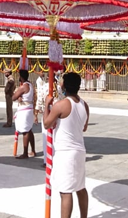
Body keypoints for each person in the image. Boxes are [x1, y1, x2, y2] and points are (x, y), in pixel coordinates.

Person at [44, 72, 89, 218]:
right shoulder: (84, 105)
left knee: (66, 191)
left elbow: (46, 124)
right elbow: (84, 127)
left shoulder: (61, 105)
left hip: (65, 152)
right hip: (79, 150)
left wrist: (46, 105)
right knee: (80, 187)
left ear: (64, 85)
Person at [13, 69, 36, 159]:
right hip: (29, 108)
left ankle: (25, 153)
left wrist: (16, 95)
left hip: (24, 109)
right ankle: (33, 150)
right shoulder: (30, 84)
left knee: (25, 131)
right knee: (29, 130)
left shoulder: (23, 87)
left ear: (21, 77)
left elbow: (13, 97)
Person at [35, 72, 48, 166]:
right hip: (57, 115)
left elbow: (39, 100)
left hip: (46, 113)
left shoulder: (44, 87)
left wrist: (36, 113)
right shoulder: (59, 87)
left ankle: (46, 160)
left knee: (46, 137)